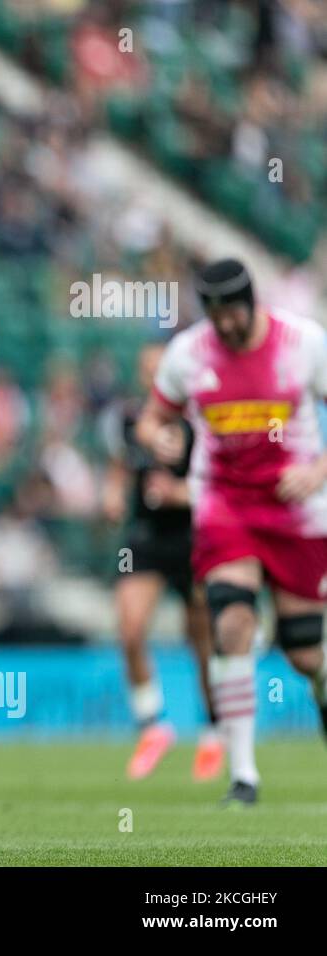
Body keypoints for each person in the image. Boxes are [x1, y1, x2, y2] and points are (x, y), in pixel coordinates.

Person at [137, 258, 327, 806]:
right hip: (225, 506)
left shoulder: (303, 344)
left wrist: (316, 471)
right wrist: (159, 439)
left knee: (306, 654)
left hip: (295, 513)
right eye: (214, 315)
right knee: (232, 620)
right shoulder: (188, 355)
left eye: (232, 314)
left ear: (252, 304)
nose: (223, 326)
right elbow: (154, 417)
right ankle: (243, 775)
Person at [103, 341, 223, 781]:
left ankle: (214, 731)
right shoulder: (130, 419)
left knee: (202, 641)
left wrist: (181, 494)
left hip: (195, 535)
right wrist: (113, 492)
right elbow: (121, 465)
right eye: (147, 371)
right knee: (130, 627)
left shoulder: (203, 421)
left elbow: (223, 482)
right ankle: (153, 725)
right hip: (145, 537)